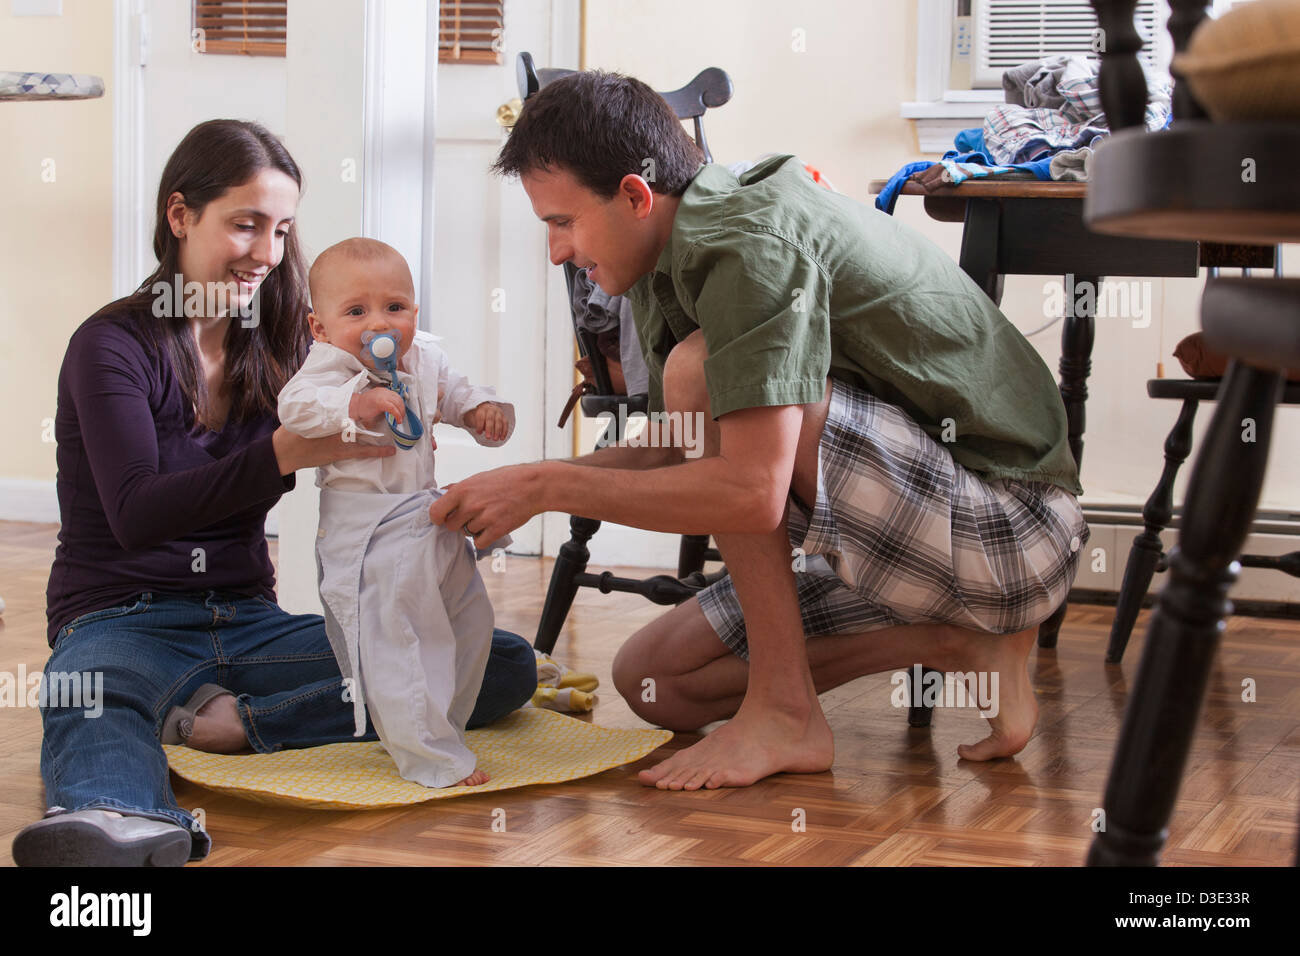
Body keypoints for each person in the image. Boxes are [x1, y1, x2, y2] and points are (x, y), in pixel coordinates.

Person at [429, 71, 1090, 791]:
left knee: (699, 370)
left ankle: (785, 711)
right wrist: (519, 481)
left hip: (1014, 535)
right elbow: (682, 443)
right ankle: (958, 645)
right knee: (654, 683)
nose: (555, 251)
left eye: (562, 222)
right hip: (904, 540)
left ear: (634, 195)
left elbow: (750, 494)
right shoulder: (662, 257)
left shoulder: (747, 239)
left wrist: (547, 486)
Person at [13, 120, 536, 867]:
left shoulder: (293, 345)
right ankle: (117, 816)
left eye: (282, 230)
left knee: (498, 663)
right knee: (85, 691)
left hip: (249, 620)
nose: (266, 252)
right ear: (180, 216)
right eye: (246, 224)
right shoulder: (113, 346)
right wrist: (280, 454)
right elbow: (136, 514)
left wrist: (450, 430)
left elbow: (408, 384)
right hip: (123, 617)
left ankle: (233, 723)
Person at [278, 237, 515, 788]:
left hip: (429, 519)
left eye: (395, 307)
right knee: (399, 638)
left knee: (468, 622)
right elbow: (295, 407)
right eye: (356, 311)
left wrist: (479, 409)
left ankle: (440, 730)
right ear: (320, 327)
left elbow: (452, 392)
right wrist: (352, 405)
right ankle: (427, 756)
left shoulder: (424, 357)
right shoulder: (329, 370)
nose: (378, 323)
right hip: (369, 533)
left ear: (414, 311)